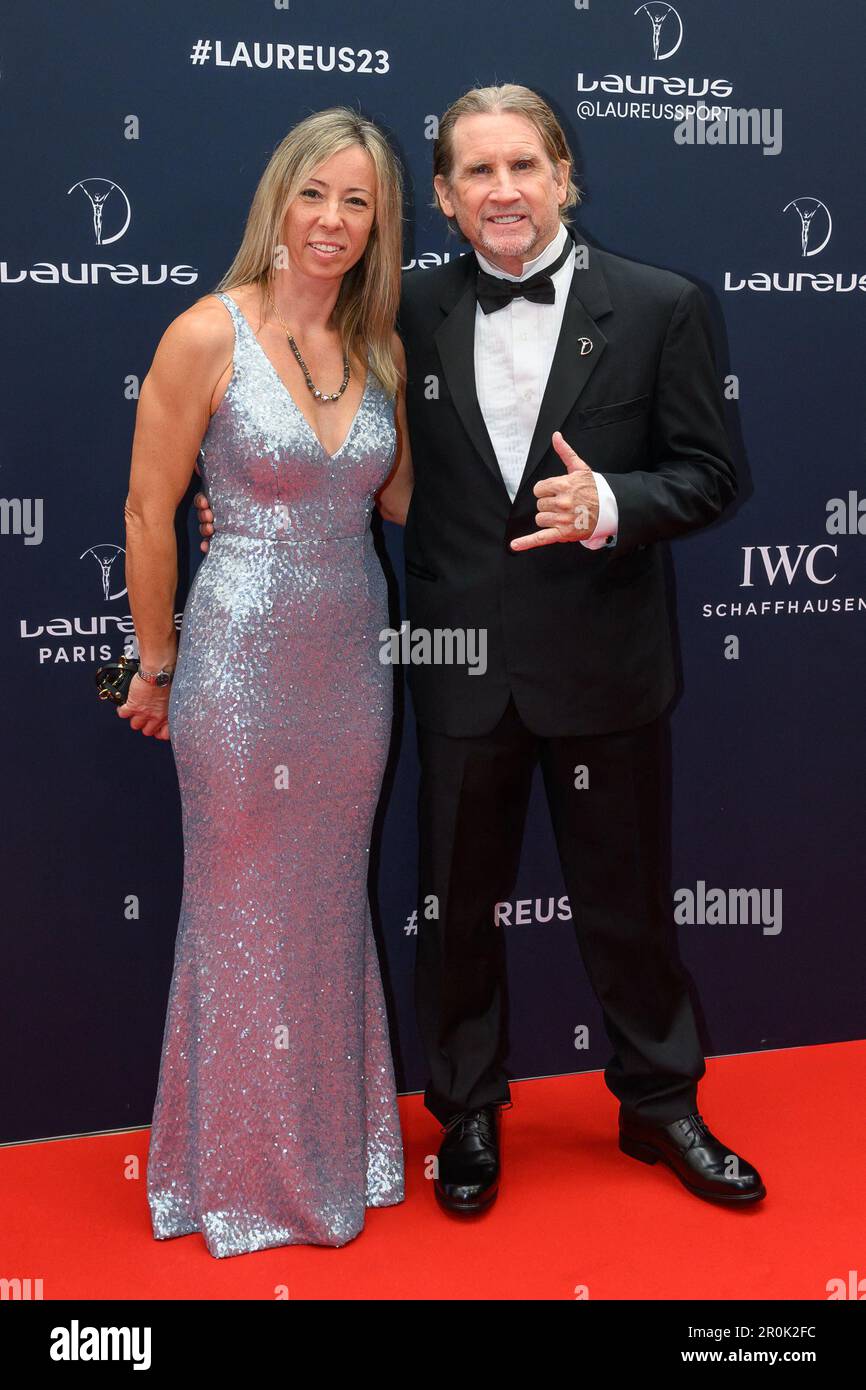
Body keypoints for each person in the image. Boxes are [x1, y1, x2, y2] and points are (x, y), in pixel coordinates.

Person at [196, 84, 765, 1218]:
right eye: (477, 173)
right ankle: (464, 1111)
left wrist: (612, 501)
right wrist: (255, 507)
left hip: (605, 665)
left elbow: (712, 475)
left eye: (523, 166)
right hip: (457, 663)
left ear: (563, 177)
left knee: (628, 905)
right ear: (446, 198)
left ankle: (660, 1104)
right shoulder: (395, 313)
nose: (503, 191)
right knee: (457, 909)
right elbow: (328, 431)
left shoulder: (662, 306)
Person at [120, 106, 414, 1257]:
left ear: (379, 222)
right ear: (277, 201)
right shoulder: (206, 331)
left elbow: (404, 501)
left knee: (327, 904)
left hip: (351, 660)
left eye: (357, 201)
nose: (332, 219)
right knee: (240, 908)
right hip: (239, 661)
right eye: (314, 194)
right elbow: (149, 512)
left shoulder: (381, 347)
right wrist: (155, 663)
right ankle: (239, 1178)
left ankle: (342, 1153)